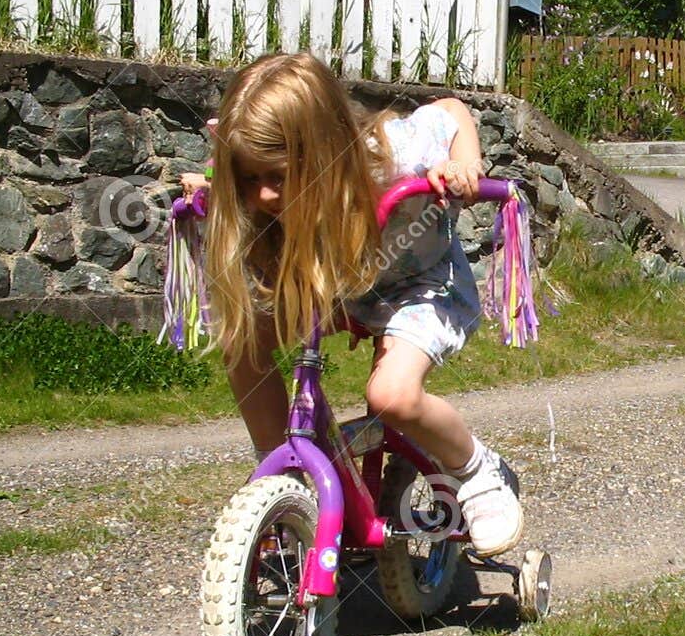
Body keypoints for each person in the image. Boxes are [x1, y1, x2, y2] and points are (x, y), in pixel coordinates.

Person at [180, 51, 523, 556]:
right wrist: (218, 186)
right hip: (348, 287)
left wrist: (465, 163)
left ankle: (476, 470)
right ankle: (285, 480)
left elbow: (451, 110)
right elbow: (254, 186)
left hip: (422, 285)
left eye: (277, 175)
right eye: (250, 179)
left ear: (326, 150)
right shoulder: (265, 181)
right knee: (244, 341)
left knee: (391, 396)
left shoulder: (394, 154)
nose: (266, 195)